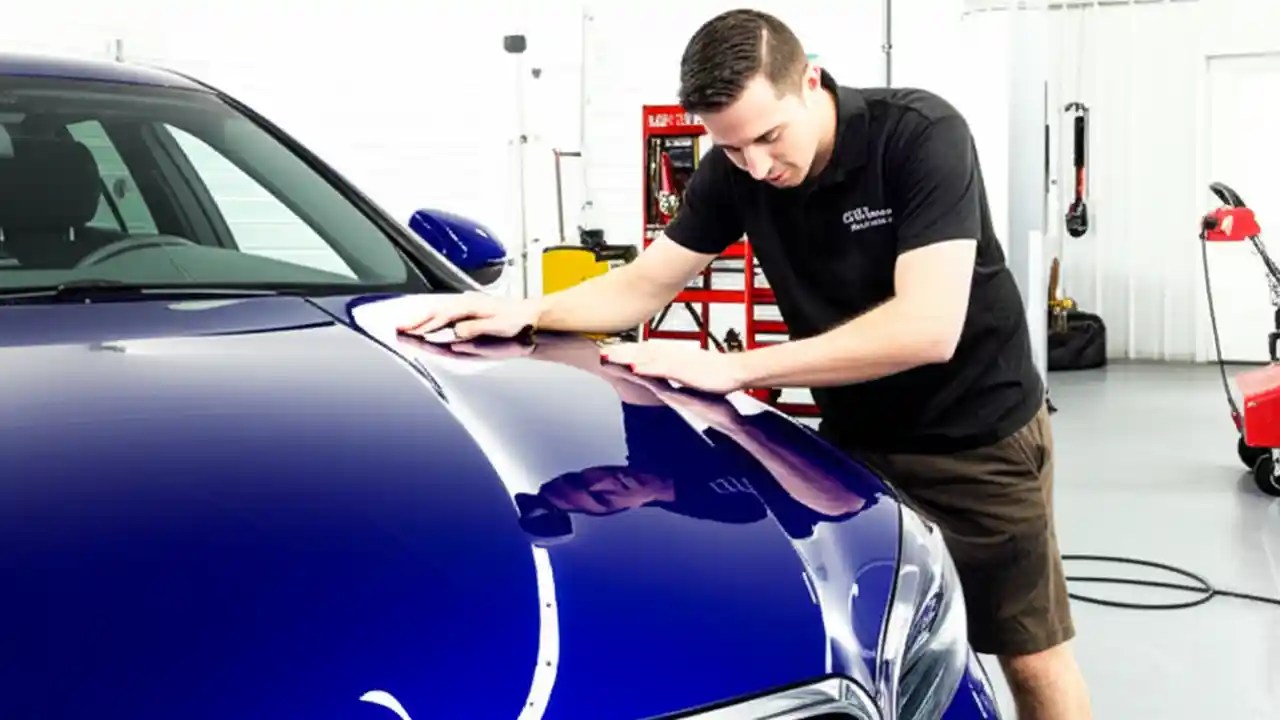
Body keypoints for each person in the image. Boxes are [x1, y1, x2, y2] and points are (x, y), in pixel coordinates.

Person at [400, 9, 1091, 718]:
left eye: (769, 137)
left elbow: (927, 328)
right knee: (870, 650)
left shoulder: (919, 136)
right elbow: (644, 285)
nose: (758, 167)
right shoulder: (733, 173)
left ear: (810, 82)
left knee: (1028, 651)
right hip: (851, 444)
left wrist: (736, 367)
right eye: (732, 149)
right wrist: (530, 310)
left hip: (974, 440)